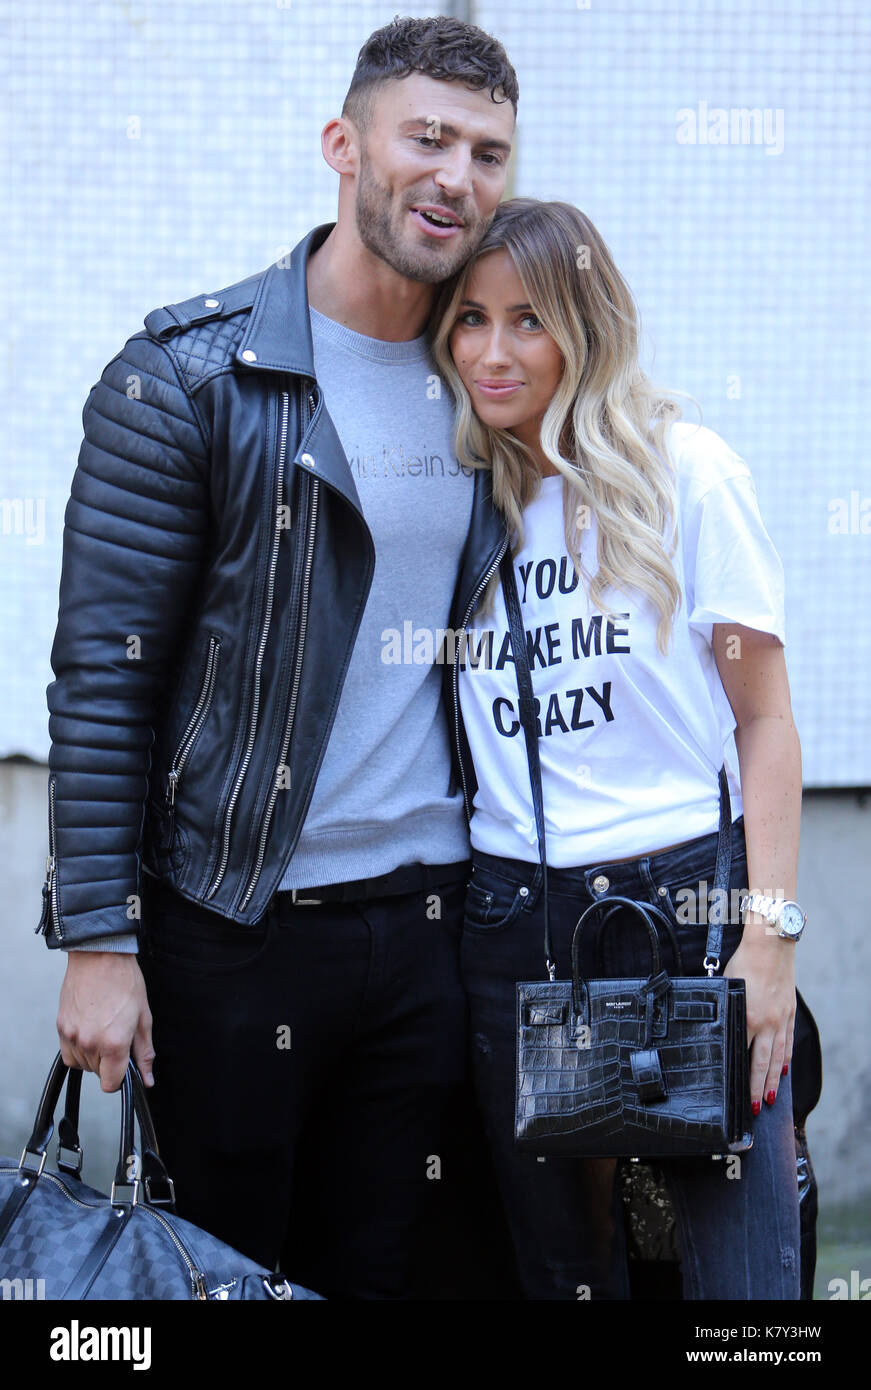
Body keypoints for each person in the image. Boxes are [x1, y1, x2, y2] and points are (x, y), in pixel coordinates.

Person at [40, 16, 521, 1300]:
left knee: (389, 1269)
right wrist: (99, 936)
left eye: (487, 152)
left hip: (432, 921)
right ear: (343, 145)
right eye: (427, 136)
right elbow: (102, 676)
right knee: (224, 1274)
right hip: (234, 928)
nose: (455, 177)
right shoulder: (188, 381)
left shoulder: (491, 379)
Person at [432, 197, 807, 1300]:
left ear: (585, 324)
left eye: (528, 320)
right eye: (469, 319)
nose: (493, 353)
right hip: (513, 913)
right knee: (564, 1274)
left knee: (739, 1278)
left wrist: (770, 937)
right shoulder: (462, 502)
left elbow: (767, 719)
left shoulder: (685, 472)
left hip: (686, 904)